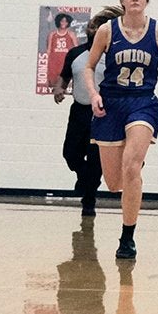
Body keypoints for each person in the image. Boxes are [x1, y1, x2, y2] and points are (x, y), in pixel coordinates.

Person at [82, 0, 158, 261]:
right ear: (123, 0)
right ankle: (133, 161)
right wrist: (93, 94)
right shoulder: (107, 31)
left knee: (131, 167)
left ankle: (127, 238)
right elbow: (89, 67)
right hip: (111, 104)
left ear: (147, 0)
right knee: (114, 183)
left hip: (143, 103)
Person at [52, 24, 103, 217]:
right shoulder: (75, 53)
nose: (93, 29)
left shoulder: (113, 55)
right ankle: (83, 178)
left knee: (95, 160)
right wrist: (59, 88)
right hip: (79, 111)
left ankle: (89, 200)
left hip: (102, 113)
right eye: (91, 27)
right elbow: (64, 77)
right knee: (70, 153)